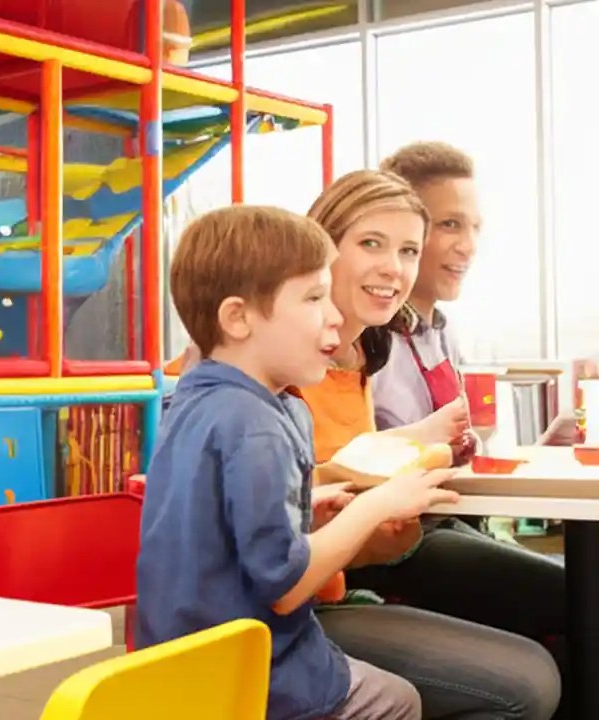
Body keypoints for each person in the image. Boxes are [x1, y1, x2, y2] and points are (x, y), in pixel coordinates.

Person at [137, 203, 455, 720]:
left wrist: (305, 508)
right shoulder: (257, 422)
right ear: (237, 318)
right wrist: (378, 507)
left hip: (177, 666)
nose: (333, 316)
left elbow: (214, 526)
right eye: (313, 298)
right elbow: (284, 588)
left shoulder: (199, 396)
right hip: (258, 679)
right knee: (398, 702)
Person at [294, 169, 561, 720]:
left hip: (342, 579)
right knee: (529, 675)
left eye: (408, 250)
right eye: (372, 243)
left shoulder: (362, 352)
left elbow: (347, 499)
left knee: (547, 635)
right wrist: (391, 479)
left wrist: (395, 481)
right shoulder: (279, 360)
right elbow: (281, 528)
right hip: (303, 606)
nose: (395, 268)